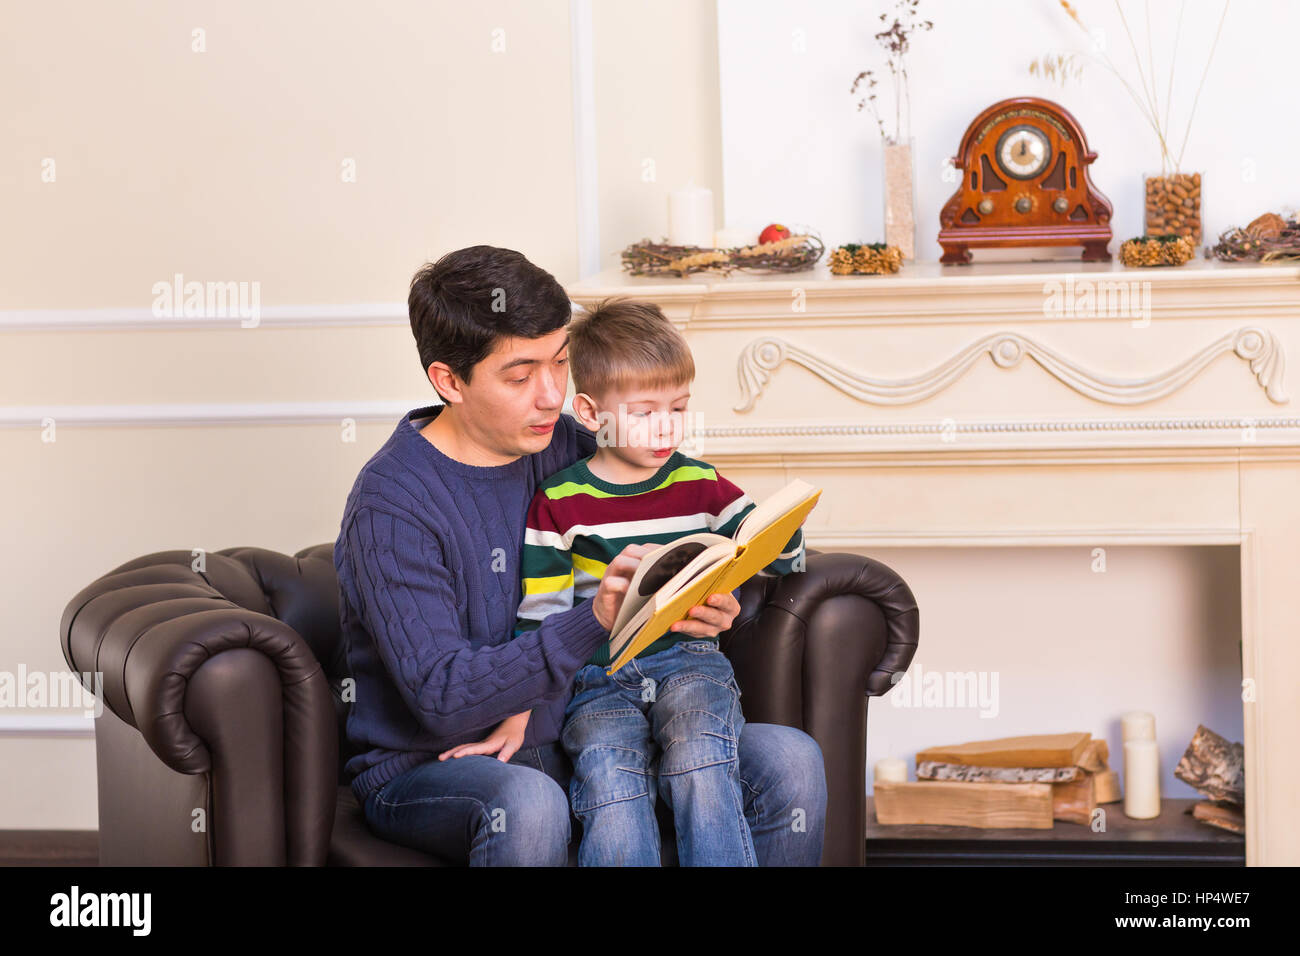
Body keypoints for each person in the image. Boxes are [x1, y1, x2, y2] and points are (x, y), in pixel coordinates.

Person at [335, 245, 827, 865]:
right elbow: (441, 697)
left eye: (561, 363)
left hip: (591, 721)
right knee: (528, 804)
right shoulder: (393, 506)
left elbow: (683, 510)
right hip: (435, 763)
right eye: (520, 376)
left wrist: (707, 597)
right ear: (448, 381)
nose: (551, 396)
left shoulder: (575, 448)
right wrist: (591, 621)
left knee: (790, 762)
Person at [512, 297, 808, 866]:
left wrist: (785, 533)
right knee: (609, 785)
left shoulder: (700, 482)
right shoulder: (559, 502)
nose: (667, 426)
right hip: (600, 678)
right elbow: (540, 621)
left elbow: (773, 556)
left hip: (690, 662)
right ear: (592, 414)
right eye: (646, 412)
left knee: (701, 756)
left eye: (679, 407)